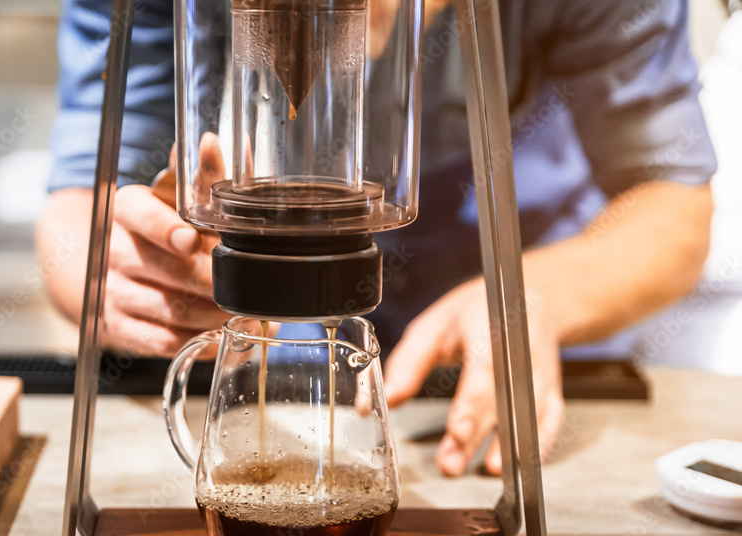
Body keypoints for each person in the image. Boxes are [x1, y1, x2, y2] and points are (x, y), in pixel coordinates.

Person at [37, 0, 717, 476]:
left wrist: (533, 296)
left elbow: (672, 206)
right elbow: (78, 211)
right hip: (266, 373)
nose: (298, 49)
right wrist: (128, 271)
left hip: (504, 381)